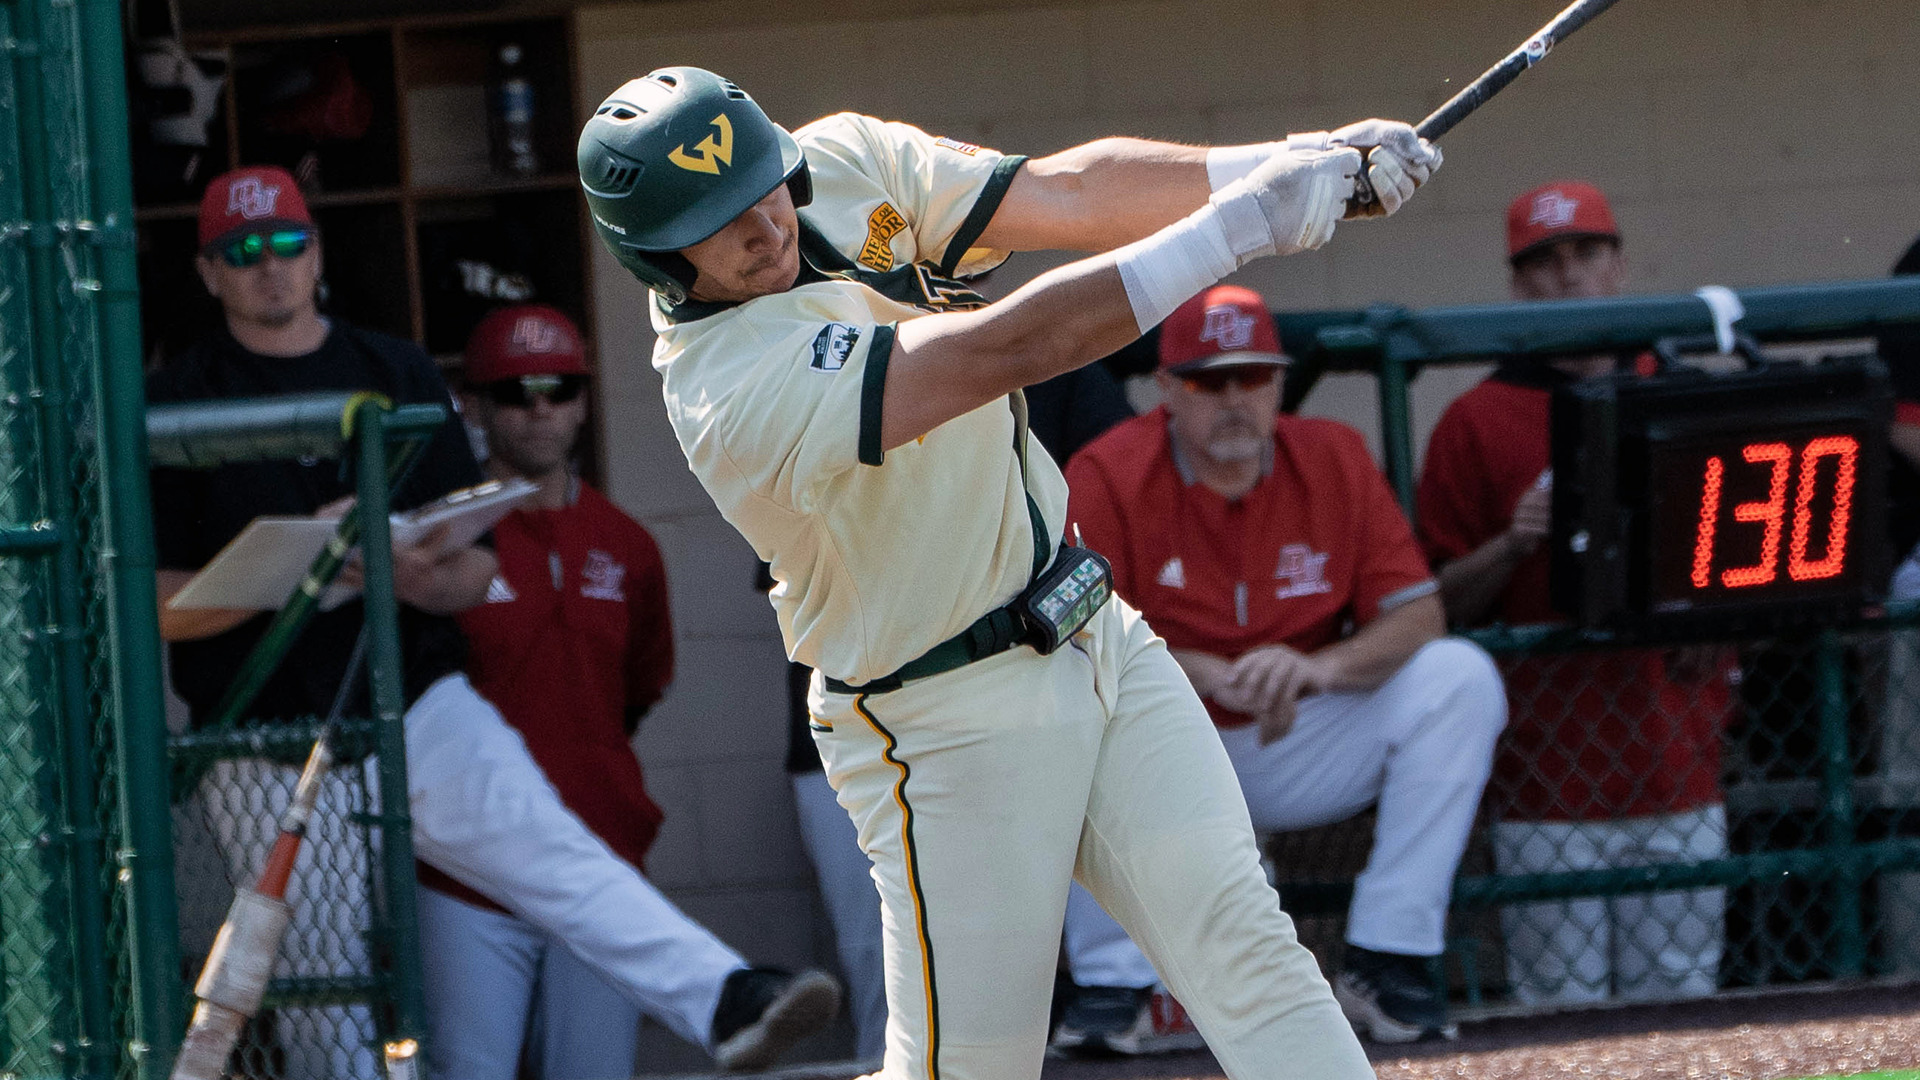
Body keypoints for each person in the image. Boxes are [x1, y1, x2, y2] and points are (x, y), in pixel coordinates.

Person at [578, 65, 1440, 1080]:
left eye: (763, 184)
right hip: (941, 721)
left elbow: (1070, 192)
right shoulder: (730, 389)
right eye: (718, 222)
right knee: (972, 1068)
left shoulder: (843, 159)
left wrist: (1293, 162)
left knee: (1248, 951)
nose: (762, 225)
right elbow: (1008, 347)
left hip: (1092, 632)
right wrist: (1241, 225)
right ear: (653, 259)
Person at [150, 167, 839, 1080]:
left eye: (286, 244)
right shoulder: (175, 394)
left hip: (413, 697)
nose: (269, 268)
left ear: (316, 251)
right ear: (208, 272)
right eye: (242, 253)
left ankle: (724, 996)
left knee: (555, 851)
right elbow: (159, 607)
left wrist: (405, 567)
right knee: (327, 1004)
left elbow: (475, 574)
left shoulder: (390, 367)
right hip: (262, 731)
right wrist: (302, 568)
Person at [1053, 285, 1506, 1047]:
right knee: (1070, 704)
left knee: (1459, 677)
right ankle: (1114, 982)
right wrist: (1191, 671)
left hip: (1295, 727)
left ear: (1279, 383)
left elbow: (1419, 616)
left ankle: (1386, 956)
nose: (1234, 398)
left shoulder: (1331, 454)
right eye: (1208, 381)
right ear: (1166, 390)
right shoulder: (1107, 470)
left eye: (1253, 377)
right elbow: (1072, 629)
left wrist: (1317, 669)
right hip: (1168, 745)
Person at [1416, 180, 1735, 1005]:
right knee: (1565, 1026)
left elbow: (1754, 562)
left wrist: (1717, 607)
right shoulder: (1475, 419)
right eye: (1545, 261)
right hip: (1545, 791)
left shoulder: (1682, 385)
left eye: (1587, 252)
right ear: (1518, 282)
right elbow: (1434, 606)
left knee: (1690, 1017)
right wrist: (1515, 540)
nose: (1569, 276)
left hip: (1679, 771)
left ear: (1618, 263)